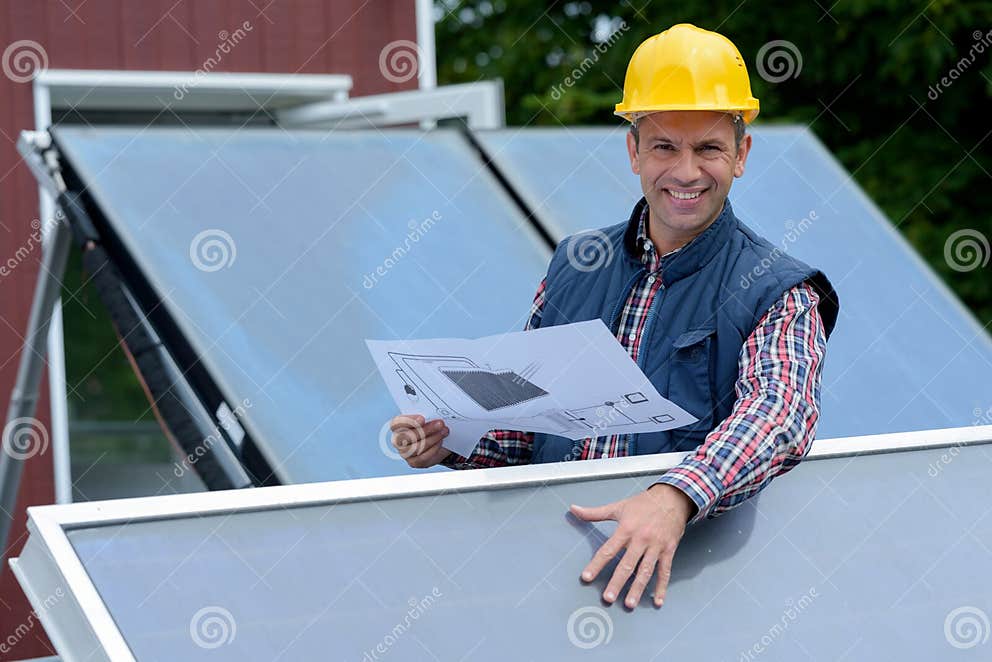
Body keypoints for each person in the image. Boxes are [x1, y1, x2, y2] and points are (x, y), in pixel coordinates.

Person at [389, 23, 839, 610]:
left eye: (708, 148)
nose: (686, 171)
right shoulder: (575, 265)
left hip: (688, 596)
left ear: (741, 155)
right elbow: (525, 428)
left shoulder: (778, 289)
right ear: (633, 152)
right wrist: (450, 442)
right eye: (664, 147)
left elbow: (780, 414)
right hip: (555, 578)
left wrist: (676, 497)